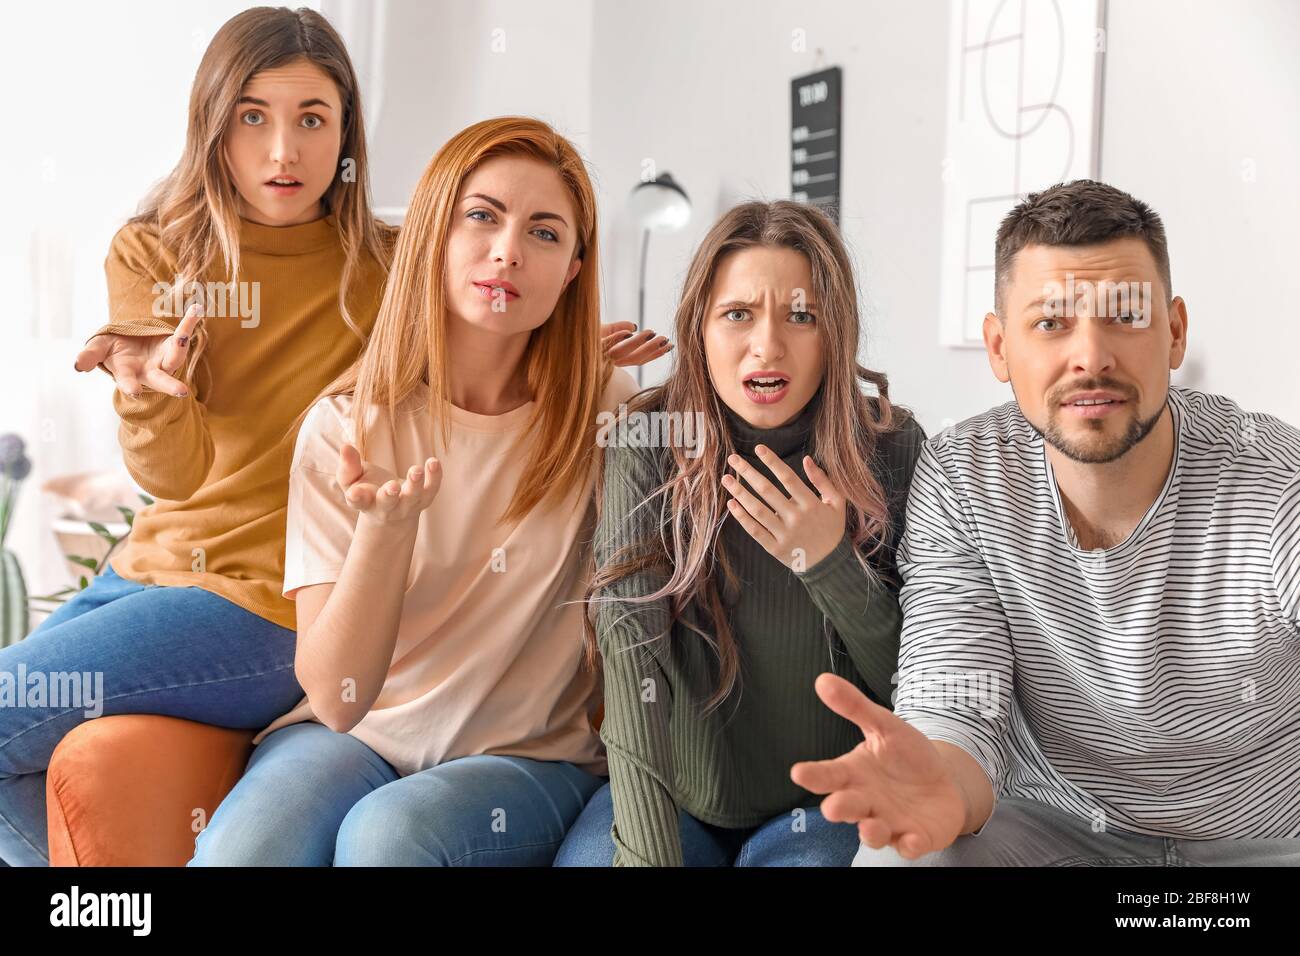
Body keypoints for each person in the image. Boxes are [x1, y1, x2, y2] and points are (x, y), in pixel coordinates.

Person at [794, 180, 1300, 867]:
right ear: (999, 348)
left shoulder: (1276, 484)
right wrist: (939, 783)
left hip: (1258, 844)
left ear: (1174, 333)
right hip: (1050, 830)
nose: (1090, 356)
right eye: (1051, 323)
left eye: (1125, 316)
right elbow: (956, 704)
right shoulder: (965, 476)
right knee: (899, 859)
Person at [189, 116, 641, 866]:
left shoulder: (606, 413)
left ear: (571, 272)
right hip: (355, 738)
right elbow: (337, 700)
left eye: (545, 232)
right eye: (483, 217)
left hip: (526, 759)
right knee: (244, 854)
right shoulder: (346, 428)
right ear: (432, 234)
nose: (508, 251)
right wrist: (385, 534)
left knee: (390, 838)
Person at [554, 200, 926, 867]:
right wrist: (647, 857)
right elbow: (628, 650)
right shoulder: (648, 438)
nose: (767, 346)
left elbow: (915, 684)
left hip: (827, 804)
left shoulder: (890, 446)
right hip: (673, 797)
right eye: (738, 314)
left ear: (835, 332)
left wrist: (829, 563)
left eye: (801, 316)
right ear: (700, 326)